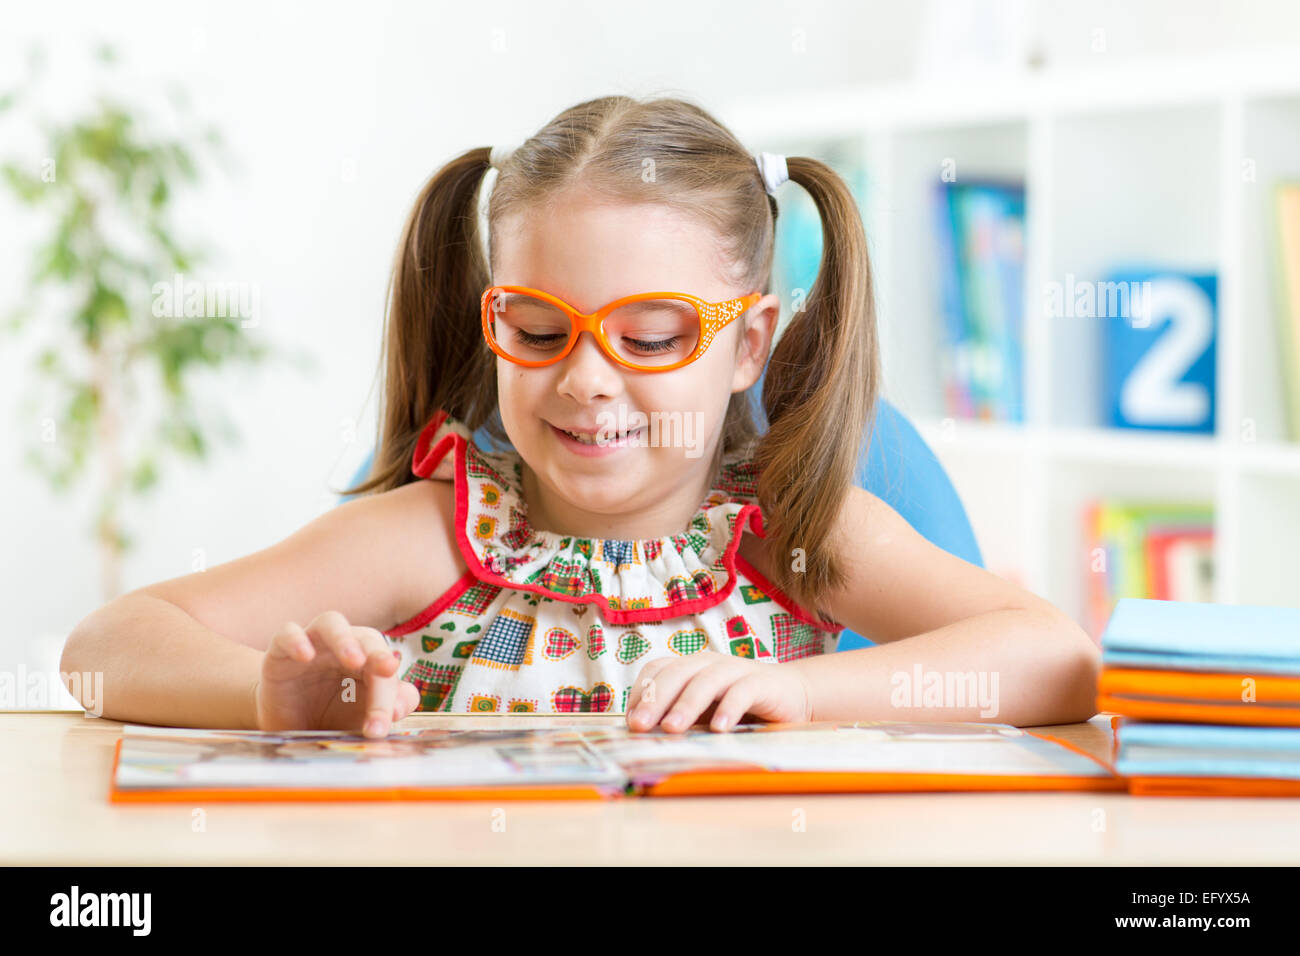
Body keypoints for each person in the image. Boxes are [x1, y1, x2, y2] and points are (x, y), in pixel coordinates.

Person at [61, 95, 1099, 739]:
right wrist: (269, 698)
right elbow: (111, 640)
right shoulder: (432, 533)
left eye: (649, 335)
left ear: (748, 345)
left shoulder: (792, 531)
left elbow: (1057, 658)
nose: (587, 380)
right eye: (539, 328)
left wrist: (808, 691)